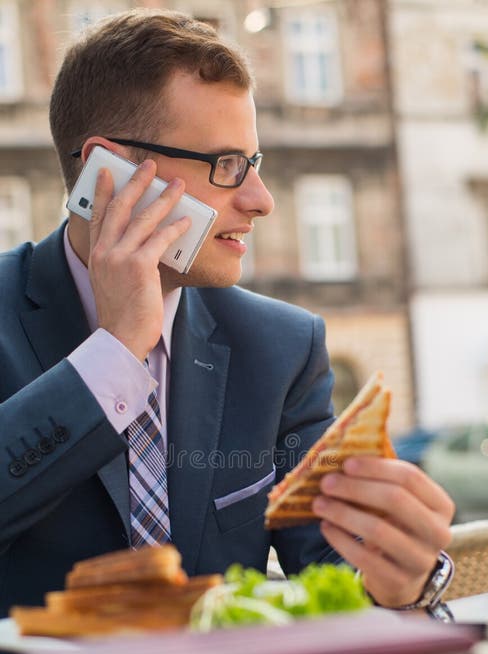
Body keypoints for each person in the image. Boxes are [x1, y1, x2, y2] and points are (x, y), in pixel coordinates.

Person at [0, 9, 454, 616]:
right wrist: (116, 350)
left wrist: (396, 580)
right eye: (226, 166)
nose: (260, 200)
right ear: (106, 174)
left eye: (254, 164)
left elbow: (330, 567)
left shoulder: (282, 348)